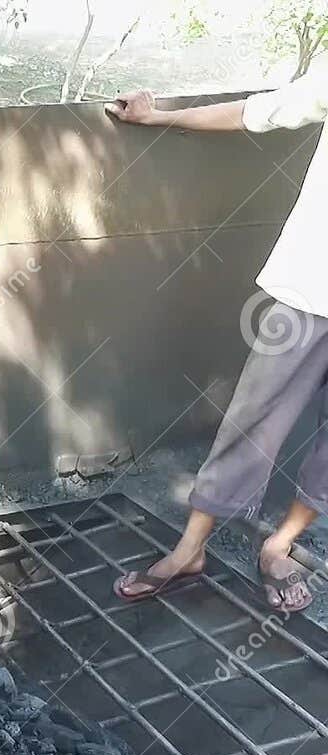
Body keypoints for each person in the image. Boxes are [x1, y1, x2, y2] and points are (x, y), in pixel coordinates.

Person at [109, 77, 328, 613]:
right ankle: (189, 550)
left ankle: (281, 544)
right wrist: (158, 117)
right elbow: (260, 111)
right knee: (251, 420)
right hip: (311, 286)